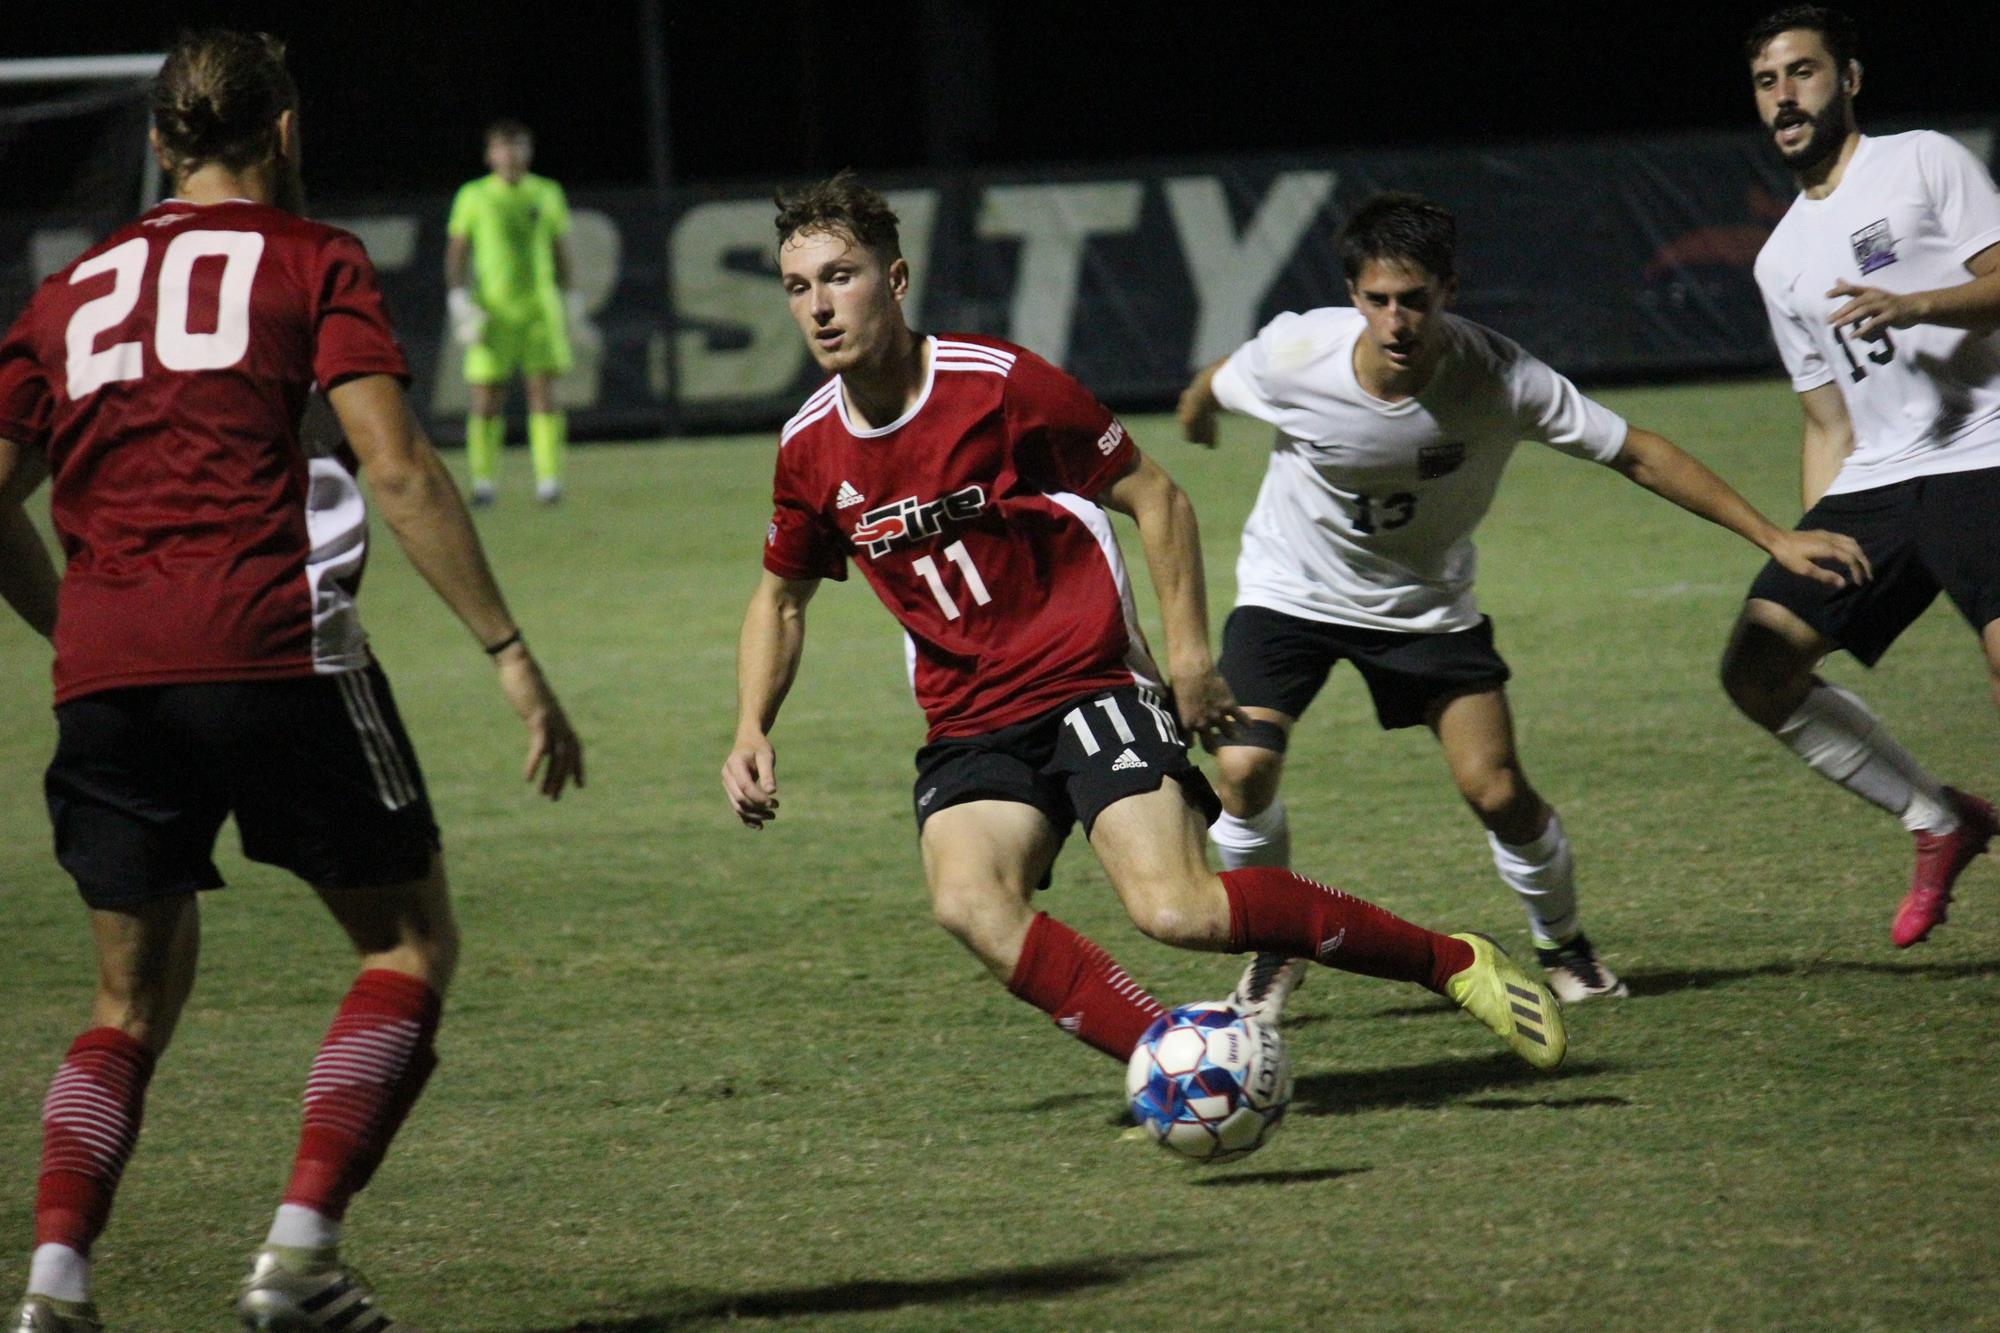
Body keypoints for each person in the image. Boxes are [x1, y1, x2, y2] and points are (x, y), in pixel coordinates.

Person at [722, 170, 1570, 1101]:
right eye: (798, 287)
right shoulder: (808, 447)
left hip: (1087, 682)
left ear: (895, 278)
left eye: (838, 277)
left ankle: (1451, 960)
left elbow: (1155, 497)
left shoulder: (1000, 387)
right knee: (968, 903)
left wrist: (1190, 656)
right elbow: (782, 599)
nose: (818, 306)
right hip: (968, 720)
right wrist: (752, 726)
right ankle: (1181, 1063)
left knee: (1177, 909)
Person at [0, 32, 584, 1333]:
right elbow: (400, 468)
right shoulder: (311, 259)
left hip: (107, 678)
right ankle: (299, 1259)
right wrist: (508, 652)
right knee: (408, 940)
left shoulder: (68, 292)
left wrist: (73, 626)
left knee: (124, 999)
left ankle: (54, 1287)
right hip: (268, 648)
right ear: (284, 132)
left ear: (157, 144)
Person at [1176, 192, 1867, 1012]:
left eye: (1415, 300)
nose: (1397, 321)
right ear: (1354, 295)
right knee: (1245, 772)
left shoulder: (1500, 376)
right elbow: (1212, 383)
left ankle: (1565, 946)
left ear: (1449, 291)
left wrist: (1773, 538)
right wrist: (1197, 417)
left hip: (1426, 607)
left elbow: (1638, 452)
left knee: (1497, 789)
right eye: (1378, 300)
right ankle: (1275, 944)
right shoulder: (1296, 354)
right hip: (1290, 592)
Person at [1721, 6, 2000, 946]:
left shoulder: (1922, 160)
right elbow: (1825, 417)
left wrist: (1917, 300)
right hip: (1877, 483)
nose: (1785, 96)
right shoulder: (1778, 258)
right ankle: (1938, 818)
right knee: (1760, 666)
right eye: (1768, 81)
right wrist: (1817, 535)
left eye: (1803, 73)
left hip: (1986, 451)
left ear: (1848, 80)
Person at [444, 119, 580, 507]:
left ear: (528, 151)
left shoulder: (547, 192)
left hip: (539, 309)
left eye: (518, 146)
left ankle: (549, 481)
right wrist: (459, 300)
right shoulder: (473, 196)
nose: (511, 155)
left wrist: (570, 298)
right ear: (490, 155)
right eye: (503, 147)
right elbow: (457, 252)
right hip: (493, 312)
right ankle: (484, 483)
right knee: (486, 397)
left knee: (544, 394)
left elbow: (561, 249)